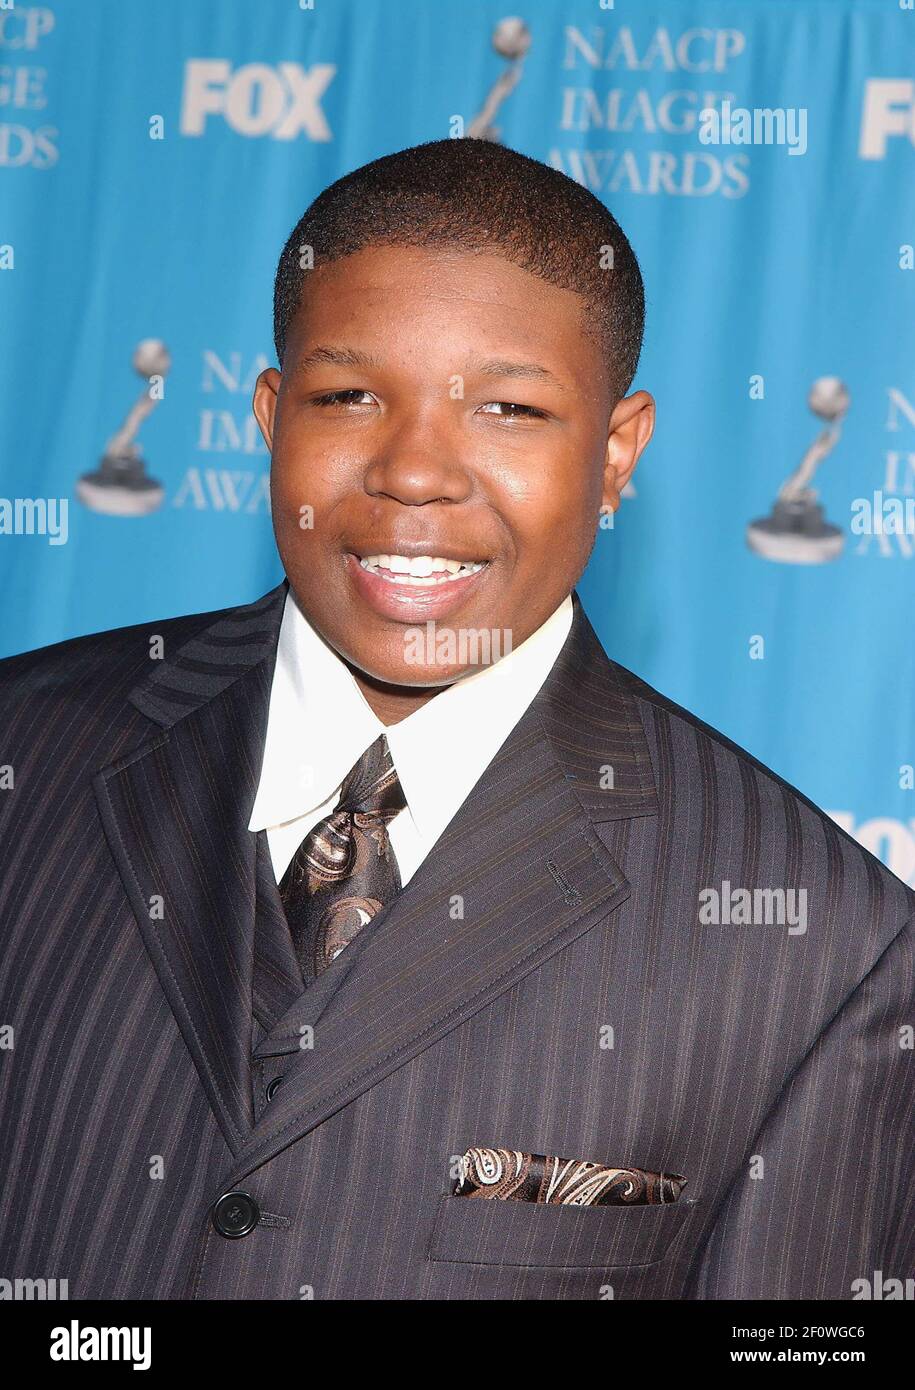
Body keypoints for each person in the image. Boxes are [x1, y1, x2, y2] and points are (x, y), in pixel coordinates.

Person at [0, 138, 911, 1301]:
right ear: (272, 417)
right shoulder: (26, 754)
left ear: (618, 452)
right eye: (350, 396)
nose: (416, 471)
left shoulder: (825, 947)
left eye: (509, 408)